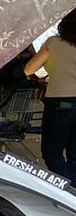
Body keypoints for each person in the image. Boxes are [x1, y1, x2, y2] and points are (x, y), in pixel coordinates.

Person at [26, 11, 76, 180]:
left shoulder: (54, 43)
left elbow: (29, 69)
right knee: (74, 154)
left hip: (60, 103)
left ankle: (67, 192)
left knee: (52, 152)